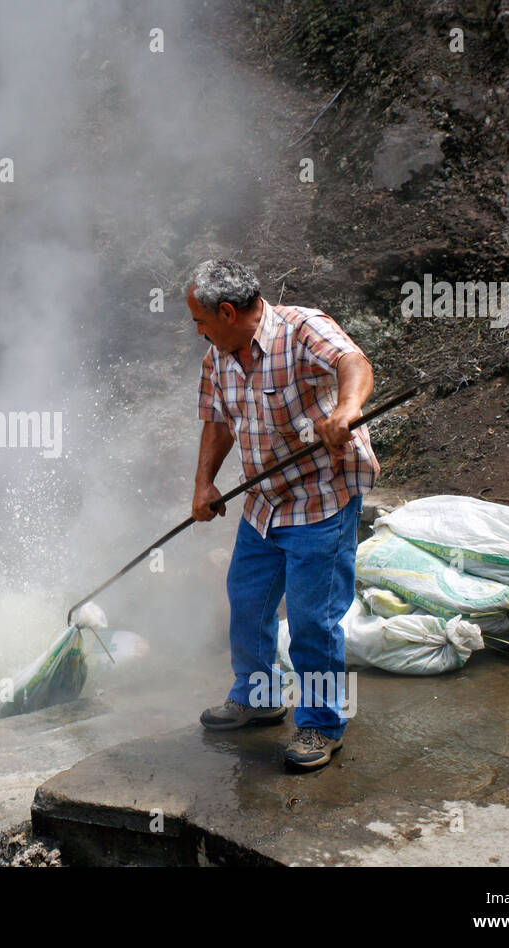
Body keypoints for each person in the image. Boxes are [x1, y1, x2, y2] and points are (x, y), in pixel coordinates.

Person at [186, 257, 377, 771]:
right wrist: (205, 483)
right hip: (264, 503)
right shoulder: (218, 357)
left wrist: (346, 410)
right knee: (247, 601)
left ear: (226, 311)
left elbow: (353, 364)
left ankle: (321, 725)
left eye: (201, 321)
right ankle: (259, 696)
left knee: (314, 621)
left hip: (321, 500)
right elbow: (218, 423)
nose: (198, 331)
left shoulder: (300, 327)